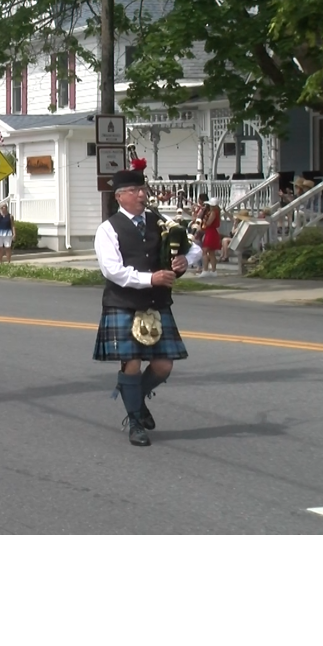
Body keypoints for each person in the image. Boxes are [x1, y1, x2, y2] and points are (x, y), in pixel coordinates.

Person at [94, 168, 198, 446]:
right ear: (120, 197)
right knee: (132, 364)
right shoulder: (108, 229)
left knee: (163, 365)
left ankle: (134, 398)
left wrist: (186, 261)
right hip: (124, 304)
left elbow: (192, 247)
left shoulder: (159, 221)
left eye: (144, 190)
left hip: (156, 303)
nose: (142, 195)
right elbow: (112, 270)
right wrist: (149, 278)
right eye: (135, 191)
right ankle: (136, 422)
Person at [199, 196, 223, 274]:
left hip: (211, 233)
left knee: (204, 251)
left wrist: (204, 219)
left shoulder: (213, 212)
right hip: (212, 232)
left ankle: (205, 270)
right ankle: (213, 271)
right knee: (211, 252)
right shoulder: (216, 211)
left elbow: (209, 223)